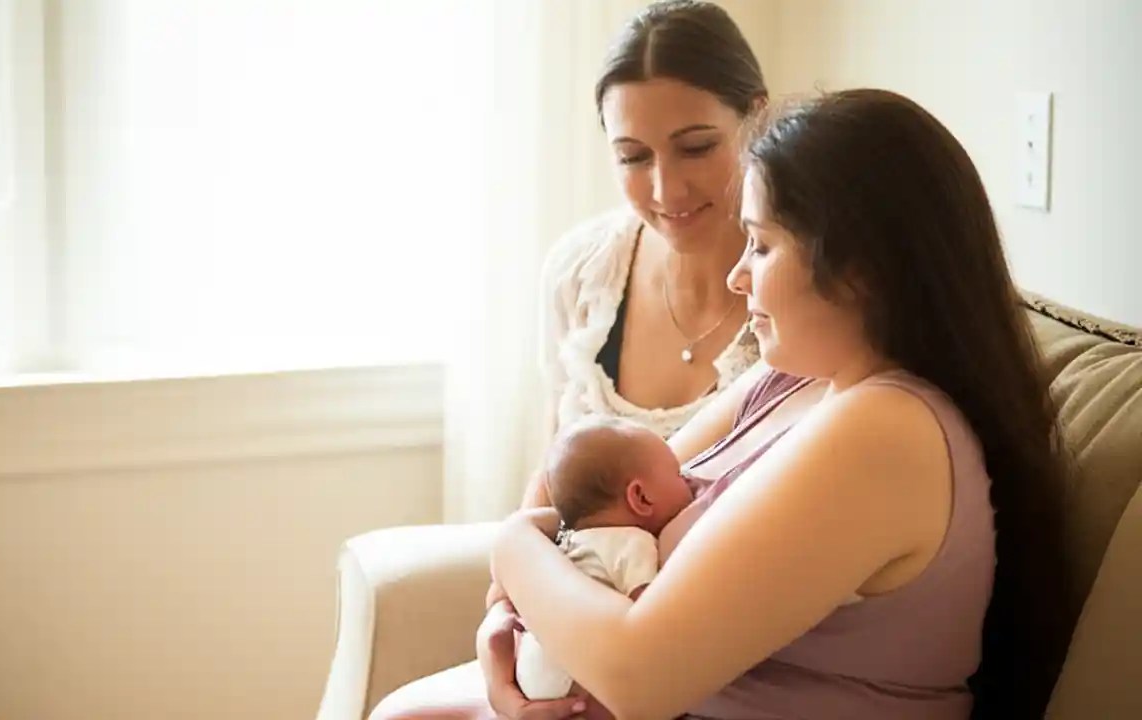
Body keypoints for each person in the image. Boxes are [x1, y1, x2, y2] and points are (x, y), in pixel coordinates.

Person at [488, 90, 1074, 719]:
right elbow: (576, 492)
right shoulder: (793, 378)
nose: (738, 276)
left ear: (861, 269)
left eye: (762, 246)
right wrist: (501, 631)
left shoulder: (888, 431)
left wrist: (512, 546)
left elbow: (639, 680)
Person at [372, 1, 772, 716]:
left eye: (696, 147)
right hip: (568, 643)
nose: (665, 189)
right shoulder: (583, 274)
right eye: (633, 157)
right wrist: (500, 625)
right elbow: (556, 484)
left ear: (756, 121)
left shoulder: (794, 305)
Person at [514, 416, 693, 707]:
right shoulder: (633, 543)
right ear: (641, 497)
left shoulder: (567, 541)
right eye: (678, 474)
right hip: (576, 679)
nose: (687, 481)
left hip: (532, 667)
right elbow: (652, 621)